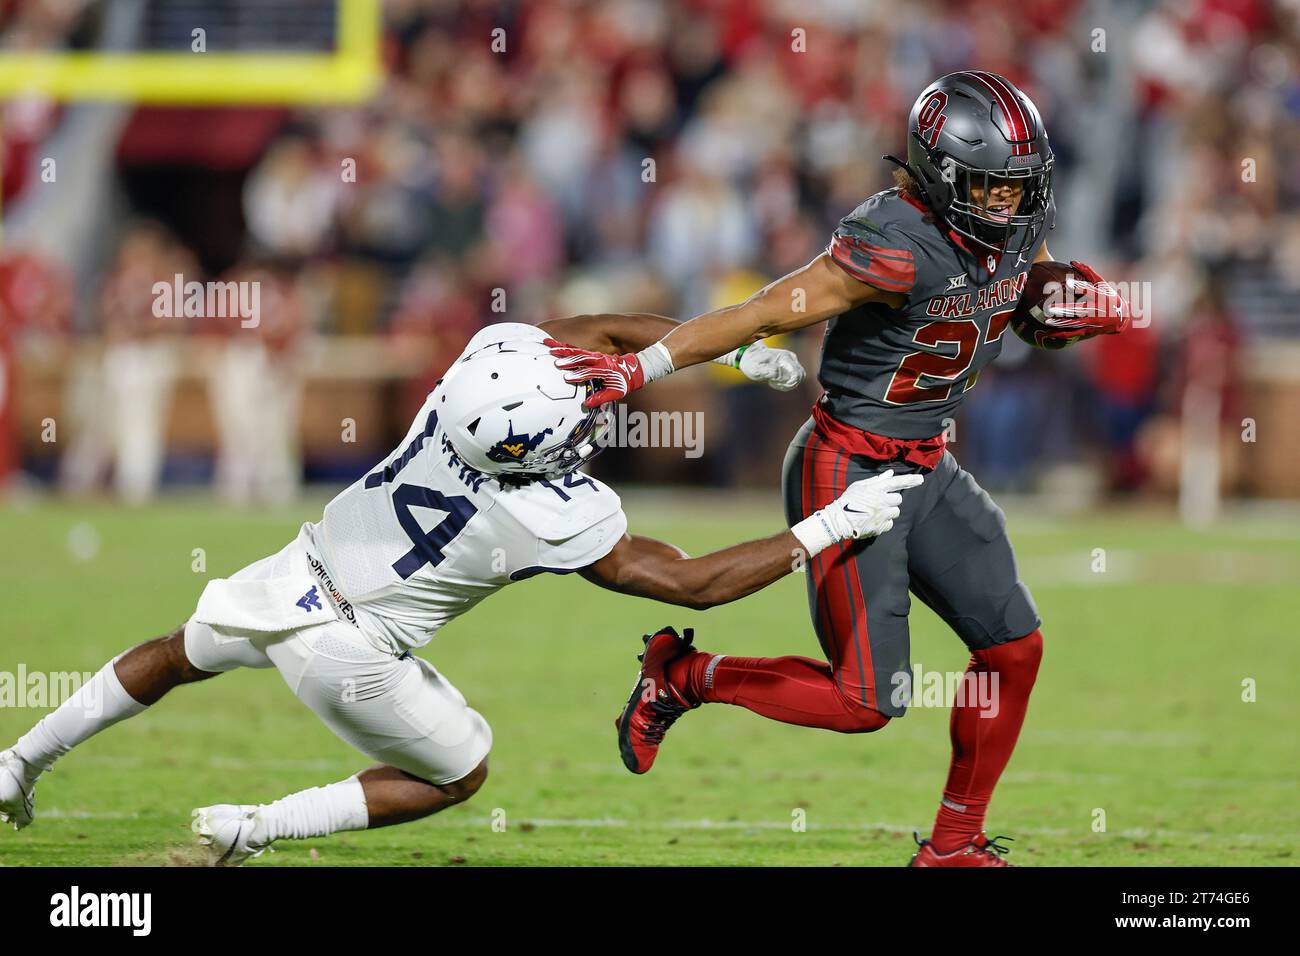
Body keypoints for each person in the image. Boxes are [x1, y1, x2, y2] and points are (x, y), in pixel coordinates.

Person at [0, 319, 919, 865]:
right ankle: (258, 828)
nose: (589, 416)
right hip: (350, 652)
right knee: (460, 772)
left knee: (174, 653)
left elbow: (594, 337)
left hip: (298, 569)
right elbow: (692, 583)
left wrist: (719, 354)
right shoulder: (545, 512)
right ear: (532, 451)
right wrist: (830, 522)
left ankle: (19, 762)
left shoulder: (473, 379)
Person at [549, 72, 1129, 866]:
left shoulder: (1016, 230)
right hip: (848, 466)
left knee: (1013, 650)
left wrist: (1069, 314)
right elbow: (755, 314)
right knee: (865, 703)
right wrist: (645, 365)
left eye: (1018, 187)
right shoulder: (889, 244)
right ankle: (683, 674)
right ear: (939, 173)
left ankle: (953, 847)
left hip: (928, 463)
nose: (1008, 205)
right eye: (990, 187)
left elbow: (1025, 316)